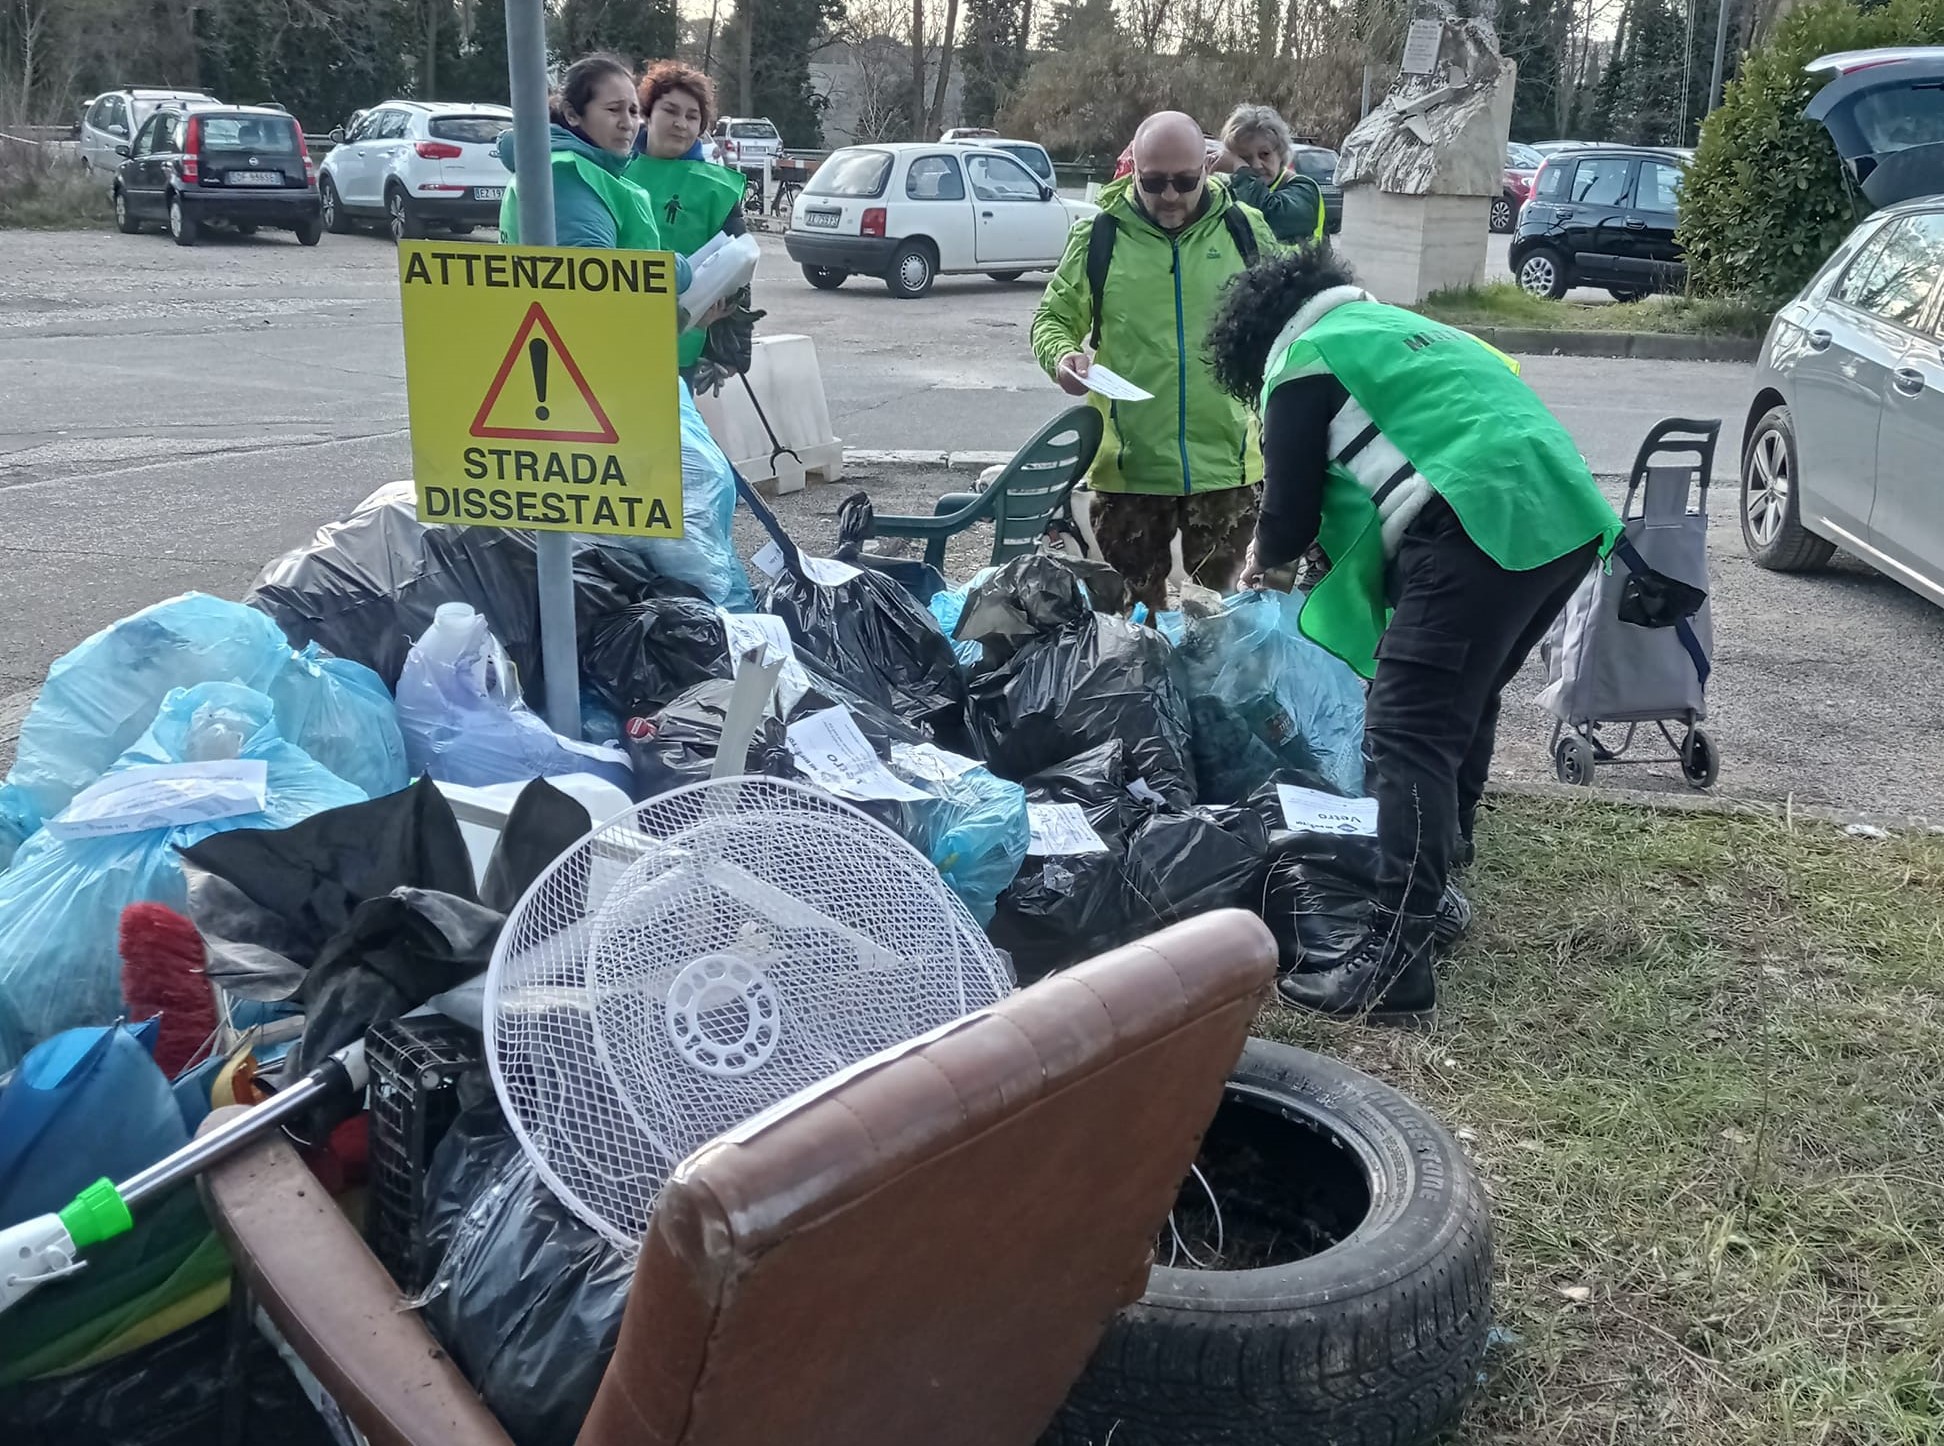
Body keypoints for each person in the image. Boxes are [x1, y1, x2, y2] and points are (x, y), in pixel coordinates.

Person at [1205, 249, 1623, 1025]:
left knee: (1405, 730)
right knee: (1468, 692)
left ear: (1251, 343)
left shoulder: (1302, 359)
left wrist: (1263, 568)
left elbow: (1290, 519)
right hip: (1563, 508)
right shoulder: (1400, 329)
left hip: (1468, 513)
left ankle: (1397, 958)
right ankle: (1444, 863)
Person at [1030, 110, 1281, 616]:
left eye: (1185, 181)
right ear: (1134, 173)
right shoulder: (1099, 236)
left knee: (1227, 622)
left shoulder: (1245, 232)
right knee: (1129, 628)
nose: (1170, 195)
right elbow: (1052, 319)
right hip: (1130, 472)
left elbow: (1288, 318)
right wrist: (1063, 358)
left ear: (1207, 170)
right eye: (1155, 182)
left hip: (1226, 470)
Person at [625, 61, 750, 375]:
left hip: (681, 353)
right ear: (647, 113)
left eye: (692, 116)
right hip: (614, 339)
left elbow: (739, 273)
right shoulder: (612, 171)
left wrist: (729, 354)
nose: (681, 123)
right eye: (670, 110)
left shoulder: (717, 190)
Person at [1213, 104, 1325, 245]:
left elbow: (1267, 217)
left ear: (1280, 152)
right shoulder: (1232, 189)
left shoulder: (1304, 190)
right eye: (1244, 158)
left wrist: (1241, 169)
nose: (1256, 165)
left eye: (1264, 154)